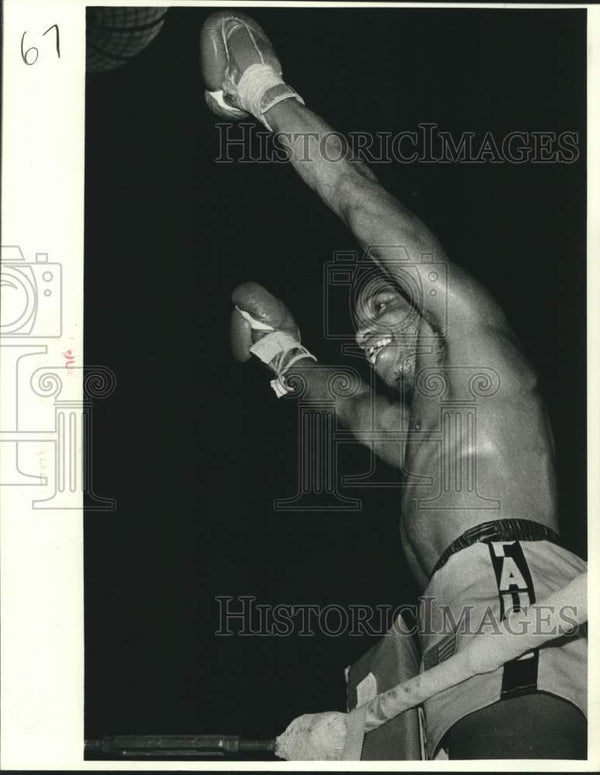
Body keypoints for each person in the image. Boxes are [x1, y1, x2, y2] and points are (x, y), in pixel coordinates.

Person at [200, 10, 587, 759]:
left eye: (381, 305)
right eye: (362, 331)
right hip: (461, 609)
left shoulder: (476, 344)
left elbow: (357, 198)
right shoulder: (430, 440)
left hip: (510, 585)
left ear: (424, 297)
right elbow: (344, 403)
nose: (371, 336)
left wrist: (263, 90)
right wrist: (284, 354)